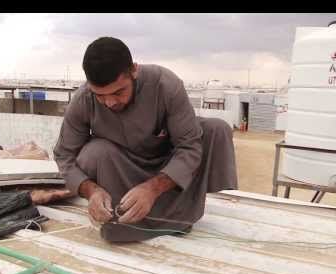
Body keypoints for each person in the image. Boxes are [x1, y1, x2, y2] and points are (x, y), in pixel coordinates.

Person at [52, 37, 238, 242]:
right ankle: (121, 213)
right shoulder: (83, 100)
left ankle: (181, 210)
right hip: (119, 167)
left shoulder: (166, 85)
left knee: (215, 130)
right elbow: (64, 155)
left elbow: (189, 147)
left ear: (134, 70)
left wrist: (152, 188)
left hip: (165, 165)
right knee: (95, 151)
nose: (110, 102)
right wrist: (91, 190)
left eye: (118, 92)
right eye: (100, 96)